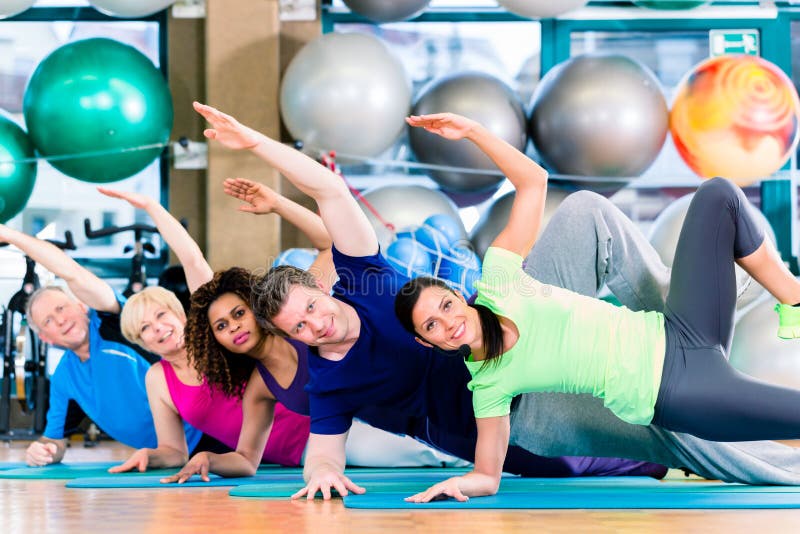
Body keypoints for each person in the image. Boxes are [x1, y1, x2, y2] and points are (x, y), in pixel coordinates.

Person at [394, 113, 800, 501]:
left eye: (446, 305)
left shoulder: (499, 280)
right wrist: (458, 484)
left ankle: (793, 298)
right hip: (680, 391)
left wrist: (474, 132)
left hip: (681, 329)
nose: (448, 321)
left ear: (457, 295)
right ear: (427, 342)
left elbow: (533, 181)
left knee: (718, 194)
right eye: (431, 325)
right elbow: (487, 475)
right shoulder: (488, 388)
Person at [100, 184, 467, 483]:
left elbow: (330, 243)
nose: (235, 327)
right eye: (222, 327)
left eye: (239, 314)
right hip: (349, 438)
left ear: (261, 313)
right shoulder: (259, 386)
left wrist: (278, 204)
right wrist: (209, 458)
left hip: (422, 394)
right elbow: (247, 459)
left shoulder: (304, 316)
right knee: (433, 450)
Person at [0, 223, 202, 467]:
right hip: (170, 458)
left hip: (213, 433)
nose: (60, 320)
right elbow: (55, 440)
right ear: (46, 338)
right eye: (48, 321)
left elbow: (72, 273)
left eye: (61, 308)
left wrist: (9, 234)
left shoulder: (115, 321)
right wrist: (43, 451)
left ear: (81, 306)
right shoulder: (65, 378)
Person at [110, 285, 308, 474]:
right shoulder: (157, 378)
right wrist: (148, 455)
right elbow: (175, 452)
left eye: (161, 315)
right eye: (145, 327)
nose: (158, 327)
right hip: (283, 459)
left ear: (180, 314)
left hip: (315, 427)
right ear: (141, 341)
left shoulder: (219, 337)